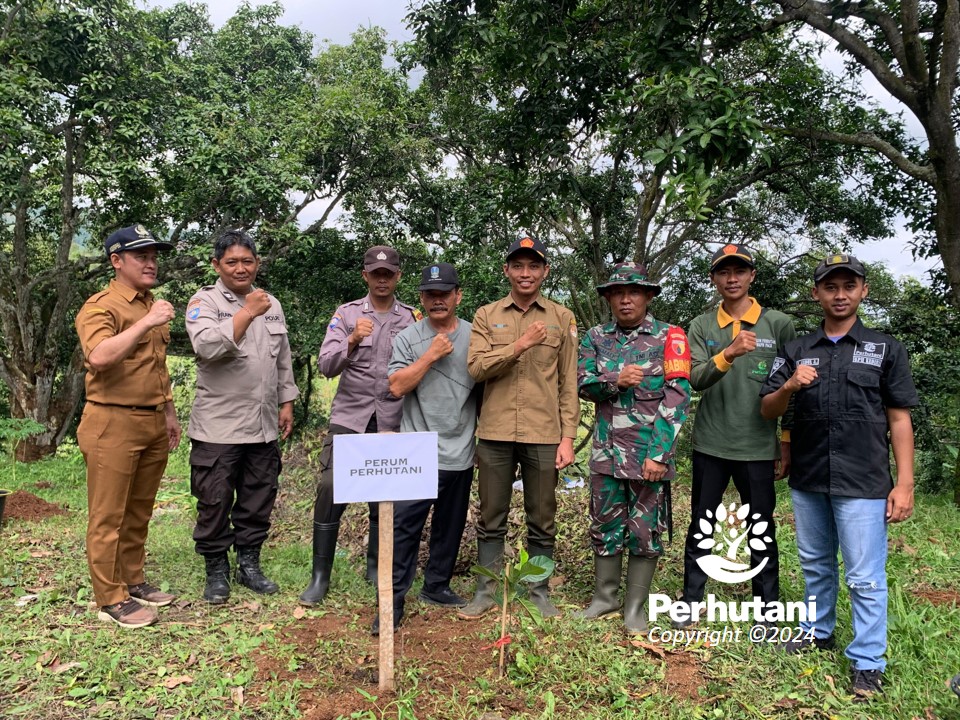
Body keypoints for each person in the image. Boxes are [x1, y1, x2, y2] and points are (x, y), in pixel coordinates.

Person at [760, 253, 918, 699]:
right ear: (817, 294)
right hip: (809, 476)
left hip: (864, 479)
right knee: (815, 564)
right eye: (831, 287)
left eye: (849, 286)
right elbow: (767, 407)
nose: (840, 294)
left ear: (863, 291)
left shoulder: (885, 348)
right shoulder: (796, 350)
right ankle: (817, 630)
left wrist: (903, 483)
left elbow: (900, 419)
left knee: (865, 576)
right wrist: (790, 385)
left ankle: (868, 661)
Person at [459, 235, 578, 620]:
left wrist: (568, 438)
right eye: (518, 266)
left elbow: (568, 382)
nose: (525, 273)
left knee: (542, 516)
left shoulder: (561, 318)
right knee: (491, 514)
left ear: (544, 271)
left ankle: (537, 590)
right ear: (506, 270)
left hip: (543, 434)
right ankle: (486, 591)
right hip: (494, 432)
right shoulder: (485, 314)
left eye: (533, 266)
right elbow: (476, 368)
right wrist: (520, 345)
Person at [677, 244, 796, 628]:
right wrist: (728, 353)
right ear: (714, 278)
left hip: (758, 447)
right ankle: (691, 602)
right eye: (724, 272)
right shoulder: (701, 325)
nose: (732, 278)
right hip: (711, 443)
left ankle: (767, 610)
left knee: (761, 528)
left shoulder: (778, 324)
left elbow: (792, 388)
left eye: (739, 271)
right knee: (702, 523)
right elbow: (694, 378)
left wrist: (786, 442)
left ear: (751, 277)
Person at [299, 246, 420, 605]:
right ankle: (320, 575)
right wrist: (351, 340)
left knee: (385, 494)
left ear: (398, 276)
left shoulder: (412, 318)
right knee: (331, 487)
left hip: (393, 418)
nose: (382, 279)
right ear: (365, 275)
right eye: (375, 273)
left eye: (389, 273)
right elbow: (326, 366)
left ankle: (376, 565)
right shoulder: (347, 314)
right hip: (350, 417)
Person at [75, 224, 181, 628]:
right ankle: (110, 598)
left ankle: (133, 579)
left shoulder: (149, 304)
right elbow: (100, 356)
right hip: (112, 421)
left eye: (154, 255)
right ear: (116, 262)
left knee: (139, 509)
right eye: (142, 256)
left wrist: (169, 413)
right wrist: (146, 323)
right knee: (108, 514)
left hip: (152, 419)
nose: (151, 262)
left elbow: (156, 366)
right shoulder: (101, 307)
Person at [575, 263, 691, 634]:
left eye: (634, 292)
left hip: (648, 456)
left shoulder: (670, 337)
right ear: (609, 298)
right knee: (605, 525)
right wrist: (615, 379)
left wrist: (659, 454)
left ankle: (634, 607)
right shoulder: (595, 337)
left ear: (648, 296)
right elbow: (583, 384)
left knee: (645, 530)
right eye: (618, 293)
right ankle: (605, 598)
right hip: (607, 454)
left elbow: (677, 397)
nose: (626, 299)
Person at [185, 230, 299, 604]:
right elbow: (205, 346)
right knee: (214, 498)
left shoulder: (273, 303)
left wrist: (286, 402)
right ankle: (216, 569)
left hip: (263, 422)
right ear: (217, 265)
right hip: (220, 424)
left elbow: (282, 359)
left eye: (247, 261)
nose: (240, 268)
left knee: (258, 496)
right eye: (231, 262)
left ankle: (249, 563)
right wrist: (247, 312)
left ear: (257, 263)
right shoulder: (204, 301)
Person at [371, 262, 477, 634]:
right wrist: (431, 355)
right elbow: (396, 387)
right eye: (430, 295)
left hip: (461, 447)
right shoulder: (408, 338)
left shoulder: (475, 335)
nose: (437, 301)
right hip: (417, 450)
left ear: (457, 296)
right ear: (421, 298)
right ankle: (393, 600)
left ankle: (437, 586)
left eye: (444, 294)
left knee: (449, 526)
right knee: (405, 528)